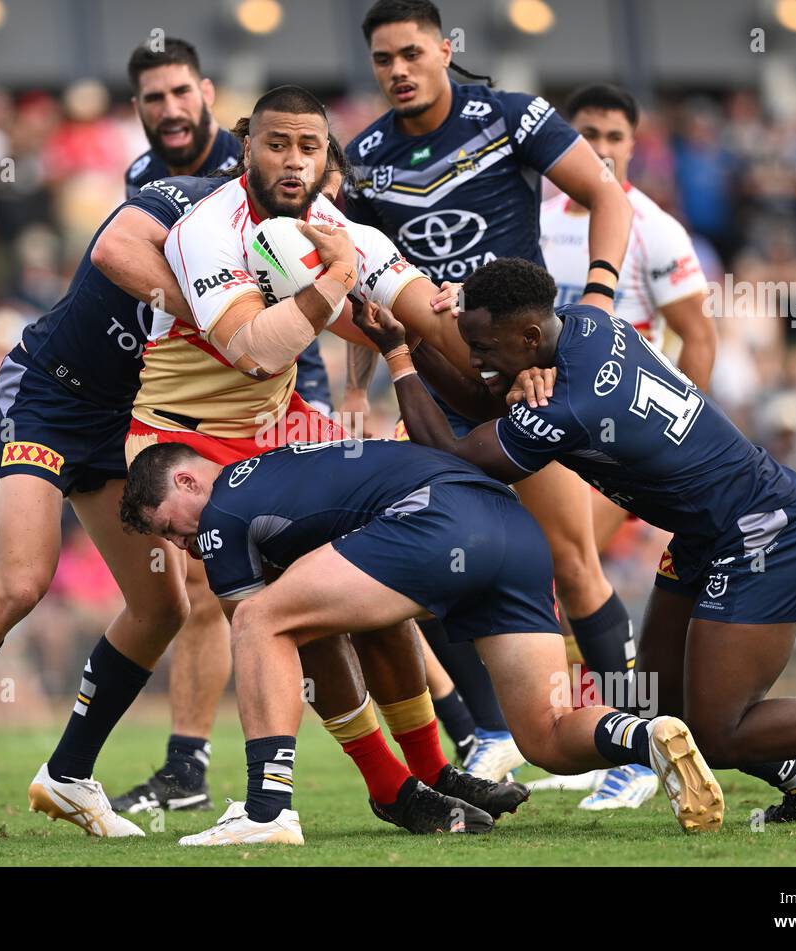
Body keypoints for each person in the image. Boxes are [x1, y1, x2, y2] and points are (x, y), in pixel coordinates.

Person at [354, 256, 796, 825]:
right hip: (707, 532)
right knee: (665, 713)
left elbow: (458, 454)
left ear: (529, 340)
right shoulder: (587, 325)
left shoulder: (570, 405)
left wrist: (401, 357)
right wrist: (417, 350)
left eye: (483, 347)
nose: (476, 360)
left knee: (720, 732)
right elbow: (484, 397)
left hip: (762, 528)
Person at [113, 84, 531, 833]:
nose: (294, 161)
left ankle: (430, 771)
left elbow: (426, 318)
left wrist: (524, 359)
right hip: (188, 434)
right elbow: (248, 350)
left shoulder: (336, 226)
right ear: (247, 145)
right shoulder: (208, 227)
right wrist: (337, 282)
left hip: (275, 428)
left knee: (357, 597)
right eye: (277, 144)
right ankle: (375, 786)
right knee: (279, 619)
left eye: (310, 147)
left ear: (327, 156)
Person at [119, 438, 724, 845]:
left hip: (437, 518)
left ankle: (268, 809)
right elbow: (352, 616)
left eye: (168, 528)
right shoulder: (285, 476)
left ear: (185, 479)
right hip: (511, 527)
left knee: (257, 621)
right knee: (545, 735)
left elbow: (273, 633)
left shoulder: (223, 511)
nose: (181, 547)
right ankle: (644, 734)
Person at [340, 0, 636, 782]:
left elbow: (609, 194)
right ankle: (492, 734)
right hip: (437, 383)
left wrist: (594, 310)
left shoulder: (507, 115)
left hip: (527, 374)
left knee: (572, 562)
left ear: (444, 49)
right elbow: (353, 285)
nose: (397, 71)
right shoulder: (364, 157)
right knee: (433, 564)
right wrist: (355, 388)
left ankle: (637, 748)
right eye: (382, 60)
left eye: (410, 54)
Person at [0, 173, 222, 840]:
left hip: (120, 424)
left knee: (163, 604)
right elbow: (110, 250)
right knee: (21, 581)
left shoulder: (273, 253)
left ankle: (68, 775)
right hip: (44, 395)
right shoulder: (190, 201)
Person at [114, 42, 334, 811]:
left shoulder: (262, 170)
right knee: (222, 586)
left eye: (180, 92)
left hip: (283, 384)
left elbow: (328, 254)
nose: (169, 109)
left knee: (317, 581)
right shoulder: (147, 183)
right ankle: (192, 768)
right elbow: (117, 255)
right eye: (152, 98)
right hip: (214, 394)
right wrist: (204, 313)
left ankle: (458, 726)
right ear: (138, 107)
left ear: (210, 98)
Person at [532, 82, 715, 808]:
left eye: (613, 135)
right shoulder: (536, 219)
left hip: (620, 442)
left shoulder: (652, 227)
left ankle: (636, 744)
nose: (601, 148)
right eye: (588, 135)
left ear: (634, 145)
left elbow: (698, 334)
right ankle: (601, 732)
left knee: (566, 565)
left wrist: (683, 439)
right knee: (549, 574)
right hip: (549, 432)